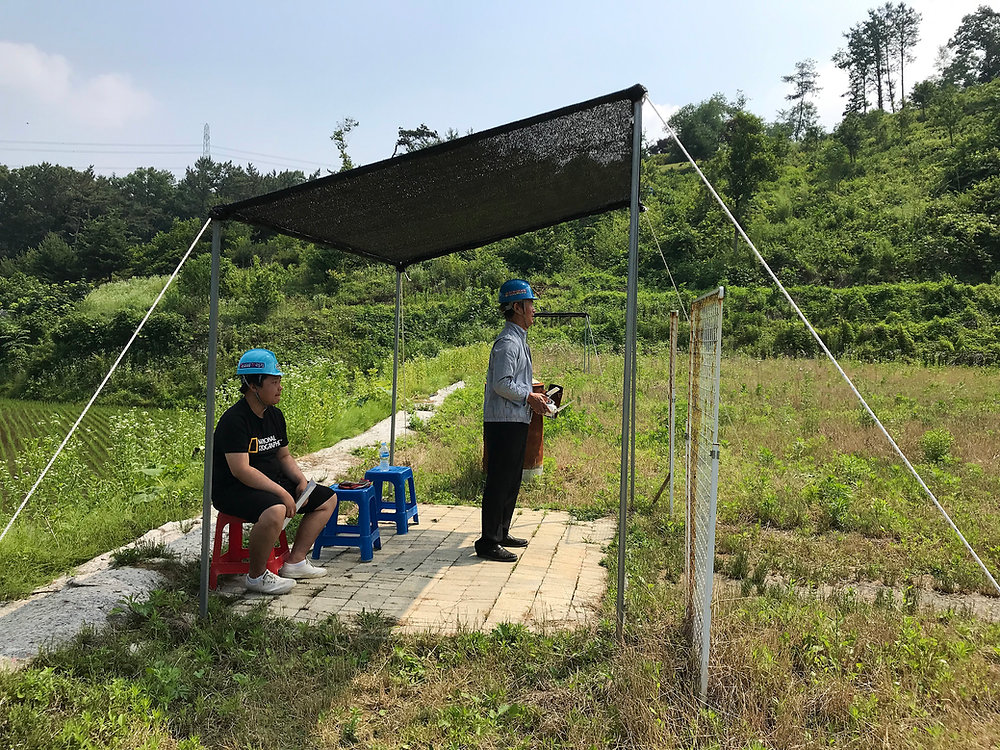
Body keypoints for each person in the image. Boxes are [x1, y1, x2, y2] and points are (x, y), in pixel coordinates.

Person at [212, 348, 336, 594]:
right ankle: (256, 577)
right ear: (253, 385)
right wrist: (282, 493)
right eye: (274, 382)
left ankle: (295, 561)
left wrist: (300, 481)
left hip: (269, 483)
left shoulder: (275, 416)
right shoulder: (234, 420)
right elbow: (241, 470)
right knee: (276, 509)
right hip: (235, 489)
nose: (280, 388)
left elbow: (284, 456)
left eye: (280, 382)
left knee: (327, 498)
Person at [476, 280, 551, 562]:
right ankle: (488, 542)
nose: (534, 309)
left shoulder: (519, 339)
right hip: (503, 422)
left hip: (516, 419)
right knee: (499, 481)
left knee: (511, 480)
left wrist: (538, 398)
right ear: (517, 307)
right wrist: (529, 397)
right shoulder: (508, 343)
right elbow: (501, 384)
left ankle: (502, 532)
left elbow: (517, 382)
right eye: (530, 304)